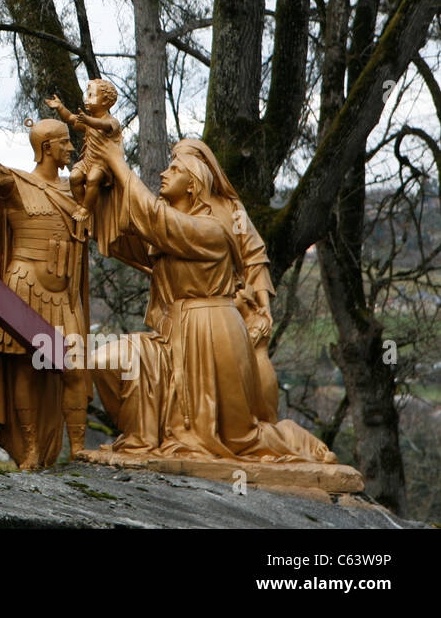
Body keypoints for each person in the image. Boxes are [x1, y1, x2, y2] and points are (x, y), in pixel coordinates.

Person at [87, 132, 335, 463]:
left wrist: (119, 162)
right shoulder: (168, 233)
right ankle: (141, 439)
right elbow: (129, 237)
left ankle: (302, 445)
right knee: (104, 362)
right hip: (172, 334)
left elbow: (158, 221)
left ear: (194, 184)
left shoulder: (213, 229)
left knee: (240, 439)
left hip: (214, 334)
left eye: (174, 169)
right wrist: (101, 186)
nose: (163, 173)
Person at [0, 113, 90, 467]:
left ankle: (77, 449)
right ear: (47, 147)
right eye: (64, 142)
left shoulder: (75, 190)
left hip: (63, 292)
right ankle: (29, 448)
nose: (70, 148)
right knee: (28, 367)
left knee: (74, 366)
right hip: (24, 286)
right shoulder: (16, 183)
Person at [172, 138, 280, 421]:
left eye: (185, 162)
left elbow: (254, 255)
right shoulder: (174, 207)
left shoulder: (232, 209)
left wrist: (263, 305)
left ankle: (260, 424)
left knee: (253, 362)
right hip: (187, 306)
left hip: (234, 304)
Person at [44, 78, 120, 227]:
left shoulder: (112, 122)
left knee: (92, 178)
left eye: (91, 95)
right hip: (88, 161)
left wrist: (87, 121)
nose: (86, 99)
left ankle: (86, 208)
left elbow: (103, 125)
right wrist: (60, 107)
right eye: (87, 95)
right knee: (74, 176)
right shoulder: (88, 121)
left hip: (103, 165)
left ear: (105, 101)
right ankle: (81, 203)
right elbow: (70, 118)